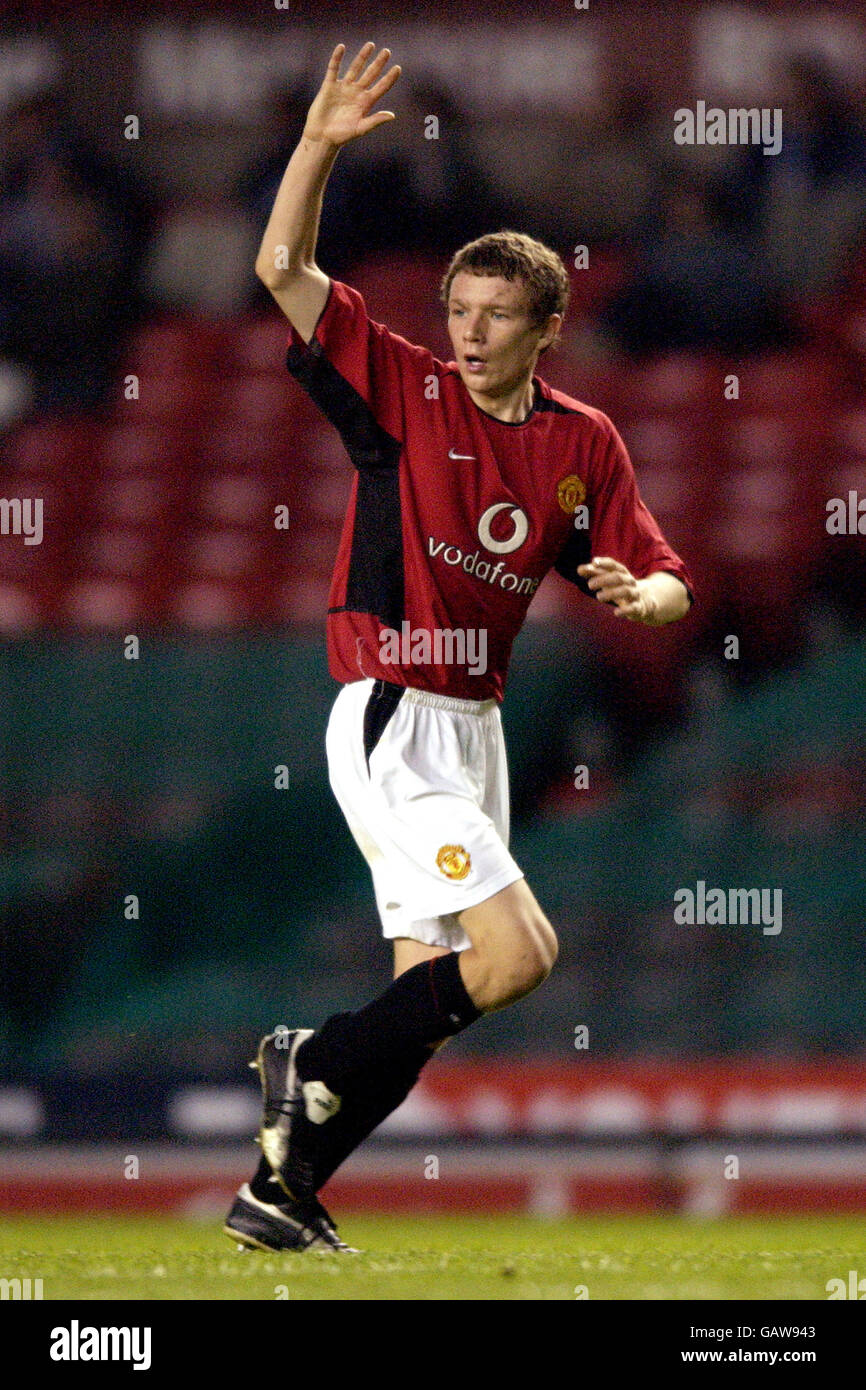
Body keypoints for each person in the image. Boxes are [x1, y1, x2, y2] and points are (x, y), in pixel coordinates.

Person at [223, 42, 694, 1254]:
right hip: (389, 711)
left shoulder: (581, 443)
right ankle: (306, 1056)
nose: (471, 333)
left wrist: (644, 601)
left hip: (474, 727)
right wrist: (320, 143)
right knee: (520, 951)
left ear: (547, 327)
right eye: (459, 311)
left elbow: (658, 572)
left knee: (425, 1007)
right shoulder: (402, 390)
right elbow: (281, 265)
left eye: (497, 316)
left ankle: (280, 1184)